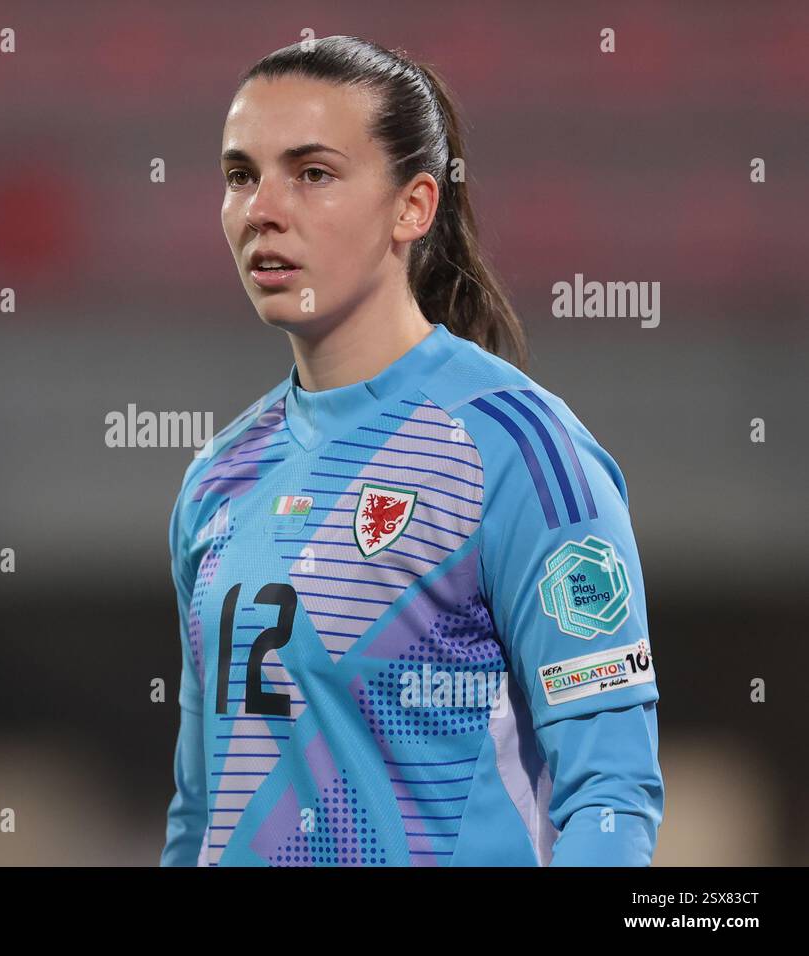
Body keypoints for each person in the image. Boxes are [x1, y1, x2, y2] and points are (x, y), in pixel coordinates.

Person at [161, 36, 663, 866]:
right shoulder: (217, 478)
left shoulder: (519, 452)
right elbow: (198, 813)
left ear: (414, 207)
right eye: (242, 174)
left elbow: (611, 796)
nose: (262, 209)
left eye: (312, 173)